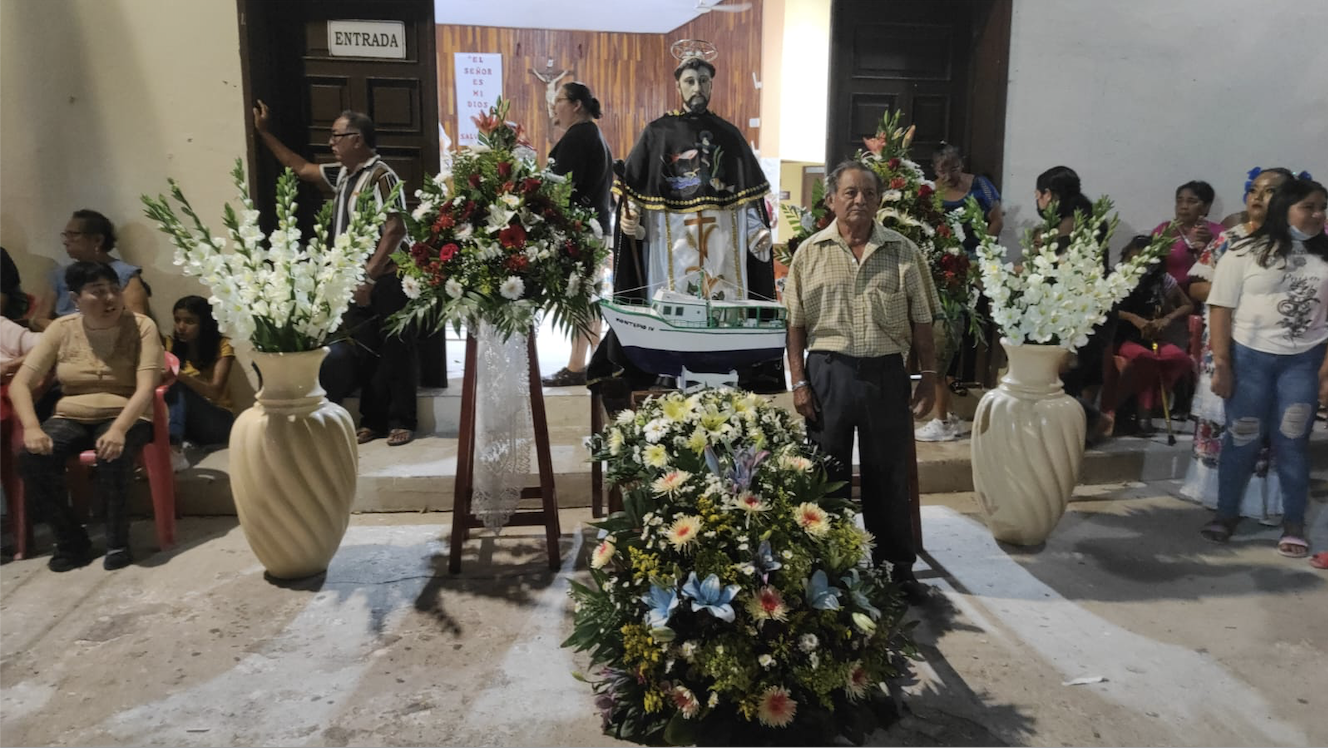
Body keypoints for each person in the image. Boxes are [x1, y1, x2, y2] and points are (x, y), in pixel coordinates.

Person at [783, 160, 940, 606]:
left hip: (885, 375)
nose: (859, 200)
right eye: (850, 192)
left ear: (879, 201)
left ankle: (897, 566)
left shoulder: (903, 252)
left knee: (887, 474)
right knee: (825, 476)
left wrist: (928, 378)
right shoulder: (809, 253)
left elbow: (923, 321)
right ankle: (825, 566)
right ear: (830, 199)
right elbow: (795, 325)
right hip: (828, 375)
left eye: (869, 193)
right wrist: (799, 381)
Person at [590, 41, 779, 393]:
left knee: (723, 299)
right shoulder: (657, 134)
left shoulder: (729, 135)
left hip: (723, 241)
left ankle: (728, 364)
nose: (698, 88)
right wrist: (632, 221)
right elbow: (633, 194)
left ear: (711, 84)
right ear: (678, 86)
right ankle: (665, 365)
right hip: (670, 240)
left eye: (704, 80)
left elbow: (749, 201)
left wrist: (757, 233)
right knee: (673, 298)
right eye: (690, 81)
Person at [253, 101, 416, 446]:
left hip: (386, 277)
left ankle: (402, 420)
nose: (331, 143)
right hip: (355, 281)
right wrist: (264, 132)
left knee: (394, 350)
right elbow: (299, 167)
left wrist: (370, 278)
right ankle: (373, 421)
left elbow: (395, 228)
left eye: (337, 136)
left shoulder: (382, 176)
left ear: (357, 139)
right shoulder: (344, 175)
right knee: (366, 353)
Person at [1200, 177, 1328, 558]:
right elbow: (1220, 308)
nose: (1318, 214)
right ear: (1283, 209)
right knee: (1242, 437)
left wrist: (1325, 373)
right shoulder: (1242, 253)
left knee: (1292, 441)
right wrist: (1222, 364)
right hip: (1250, 361)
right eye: (1308, 207)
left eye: (1323, 207)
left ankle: (1293, 523)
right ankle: (1225, 514)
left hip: (1302, 365)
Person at [9, 262, 163, 571]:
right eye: (97, 292)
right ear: (76, 299)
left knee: (112, 455)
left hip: (127, 412)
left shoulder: (142, 326)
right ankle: (71, 541)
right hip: (72, 413)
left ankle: (118, 541)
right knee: (31, 458)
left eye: (114, 290)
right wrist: (31, 427)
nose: (110, 299)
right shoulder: (61, 329)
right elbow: (19, 384)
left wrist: (119, 429)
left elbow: (146, 388)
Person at [1181, 167, 1294, 519]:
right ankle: (1218, 497)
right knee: (1225, 426)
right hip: (1227, 342)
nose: (1258, 197)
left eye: (1270, 191)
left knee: (1265, 429)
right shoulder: (1231, 238)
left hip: (1275, 347)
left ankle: (1260, 501)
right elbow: (1197, 286)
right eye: (1254, 190)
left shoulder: (1300, 242)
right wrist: (1233, 294)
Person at [915, 145, 1003, 442]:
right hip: (947, 270)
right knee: (944, 334)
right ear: (934, 169)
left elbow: (997, 219)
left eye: (954, 167)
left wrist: (980, 253)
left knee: (964, 333)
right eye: (942, 169)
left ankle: (947, 412)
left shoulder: (980, 185)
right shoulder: (932, 193)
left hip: (976, 268)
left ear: (961, 164)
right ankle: (945, 412)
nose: (949, 175)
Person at [540, 82, 614, 388]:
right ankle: (590, 361)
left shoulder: (578, 137)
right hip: (596, 228)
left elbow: (559, 189)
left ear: (577, 105)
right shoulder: (592, 134)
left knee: (581, 298)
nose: (553, 107)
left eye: (558, 100)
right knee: (589, 296)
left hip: (582, 231)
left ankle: (575, 367)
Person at [1110, 235, 1195, 435]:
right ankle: (1141, 413)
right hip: (1122, 336)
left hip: (1150, 337)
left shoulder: (1162, 279)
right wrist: (1133, 318)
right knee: (1145, 358)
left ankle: (1153, 401)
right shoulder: (1115, 277)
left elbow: (1187, 305)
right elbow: (1105, 309)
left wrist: (1166, 319)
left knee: (1179, 359)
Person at [29, 210, 151, 331]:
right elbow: (38, 320)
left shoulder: (125, 274)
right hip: (65, 339)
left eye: (73, 235)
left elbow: (138, 322)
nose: (66, 242)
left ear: (98, 240)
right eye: (66, 235)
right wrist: (67, 334)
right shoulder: (59, 274)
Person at [163, 296, 235, 469]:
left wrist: (179, 375)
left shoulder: (223, 345)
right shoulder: (170, 345)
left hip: (218, 421)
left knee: (178, 385)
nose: (181, 327)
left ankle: (173, 448)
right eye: (177, 320)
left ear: (204, 323)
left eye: (189, 321)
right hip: (187, 423)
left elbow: (215, 392)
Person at [1153, 181, 1223, 292]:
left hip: (1207, 294)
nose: (1184, 206)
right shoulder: (1163, 231)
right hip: (1171, 296)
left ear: (1206, 207)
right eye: (1179, 201)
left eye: (1192, 201)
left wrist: (1210, 244)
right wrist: (1186, 244)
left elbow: (1228, 266)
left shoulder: (1219, 232)